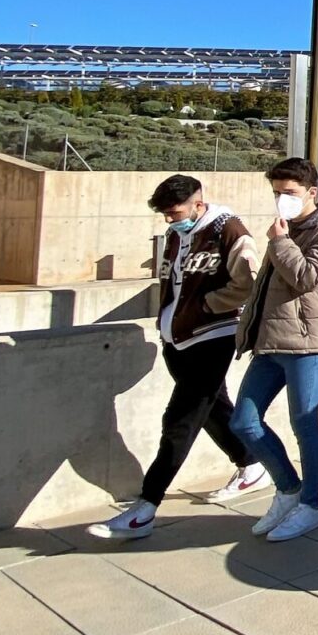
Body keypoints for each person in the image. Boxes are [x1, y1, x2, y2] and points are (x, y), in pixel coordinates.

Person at [90, 175, 267, 541]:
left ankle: (145, 508)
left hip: (212, 337)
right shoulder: (174, 235)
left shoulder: (229, 231)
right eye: (166, 215)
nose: (171, 220)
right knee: (214, 409)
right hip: (177, 340)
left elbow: (248, 283)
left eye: (176, 213)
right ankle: (251, 463)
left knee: (179, 421)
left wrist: (206, 306)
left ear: (198, 204)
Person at [231, 157, 318, 542]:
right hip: (269, 343)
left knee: (305, 424)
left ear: (311, 193)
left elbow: (308, 278)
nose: (282, 199)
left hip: (309, 344)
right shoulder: (285, 231)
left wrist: (280, 241)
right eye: (277, 193)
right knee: (244, 422)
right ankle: (288, 490)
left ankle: (311, 505)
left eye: (290, 193)